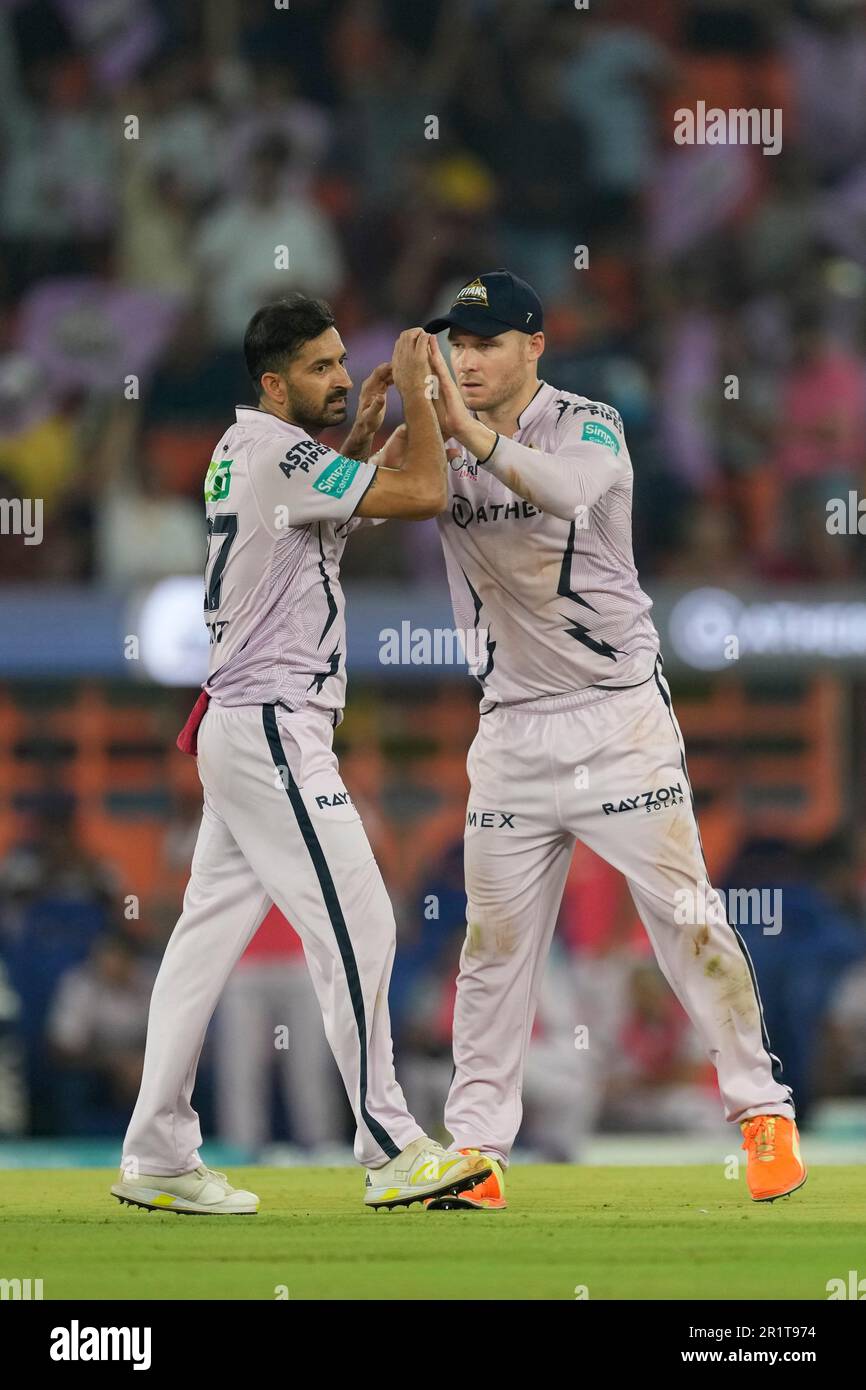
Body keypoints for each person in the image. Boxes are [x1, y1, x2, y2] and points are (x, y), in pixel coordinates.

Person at [421, 269, 806, 1209]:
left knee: (684, 917)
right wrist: (381, 426)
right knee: (495, 949)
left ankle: (763, 1115)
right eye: (456, 344)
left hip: (614, 716)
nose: (469, 359)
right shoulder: (438, 436)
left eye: (488, 342)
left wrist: (465, 436)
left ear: (532, 347)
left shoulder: (589, 421)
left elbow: (562, 491)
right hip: (509, 726)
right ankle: (475, 1154)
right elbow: (370, 496)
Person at [112, 294, 490, 1214]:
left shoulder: (252, 452)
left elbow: (323, 525)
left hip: (245, 729)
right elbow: (426, 494)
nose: (336, 375)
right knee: (360, 922)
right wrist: (417, 399)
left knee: (201, 946)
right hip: (274, 728)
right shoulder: (278, 453)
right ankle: (392, 1144)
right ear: (273, 384)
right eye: (319, 367)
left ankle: (157, 1151)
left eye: (339, 359)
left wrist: (362, 439)